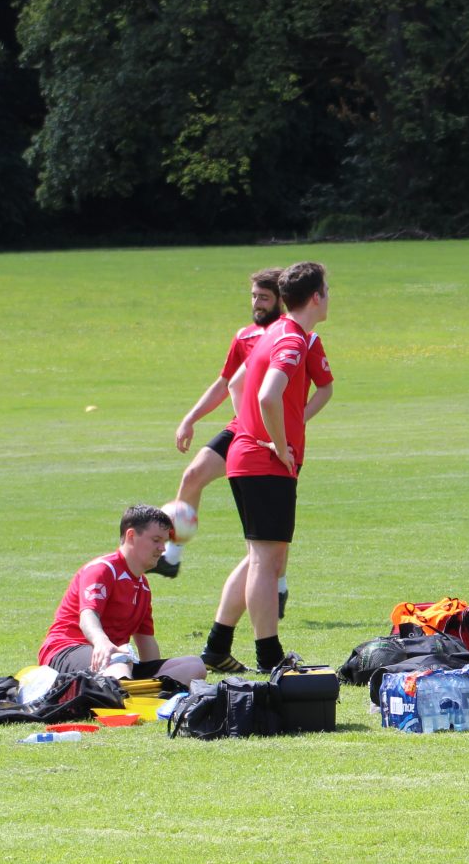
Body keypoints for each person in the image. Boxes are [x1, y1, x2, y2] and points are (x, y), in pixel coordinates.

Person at [157, 272, 332, 618]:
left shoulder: (300, 339)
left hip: (269, 439)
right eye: (253, 296)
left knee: (267, 543)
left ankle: (274, 589)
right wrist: (191, 418)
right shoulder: (249, 337)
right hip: (247, 433)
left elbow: (321, 389)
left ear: (282, 299)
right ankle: (172, 557)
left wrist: (289, 425)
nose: (256, 303)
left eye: (263, 297)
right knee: (193, 475)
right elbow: (229, 384)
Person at [199, 260, 331, 674]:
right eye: (327, 290)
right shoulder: (292, 339)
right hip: (264, 461)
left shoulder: (274, 331)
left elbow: (239, 384)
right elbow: (267, 396)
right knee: (264, 561)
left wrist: (266, 431)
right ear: (315, 297)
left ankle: (217, 646)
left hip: (251, 457)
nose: (329, 297)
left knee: (261, 556)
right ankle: (269, 656)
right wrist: (276, 440)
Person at [38, 505, 207, 683]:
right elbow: (88, 616)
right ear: (131, 536)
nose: (162, 549)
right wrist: (101, 642)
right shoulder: (102, 570)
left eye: (164, 542)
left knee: (194, 666)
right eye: (156, 540)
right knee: (119, 663)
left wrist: (153, 673)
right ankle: (126, 693)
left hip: (115, 662)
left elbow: (146, 641)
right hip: (66, 649)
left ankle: (133, 694)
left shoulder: (143, 586)